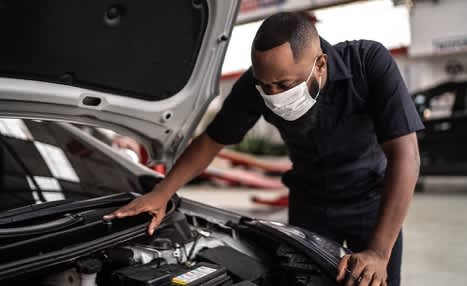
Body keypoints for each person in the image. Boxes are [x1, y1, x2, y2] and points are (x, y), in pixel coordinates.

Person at [104, 12, 424, 286]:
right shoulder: (256, 84)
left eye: (284, 85)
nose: (272, 95)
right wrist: (162, 193)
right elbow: (211, 141)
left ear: (320, 66)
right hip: (310, 206)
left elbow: (405, 153)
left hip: (371, 205)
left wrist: (379, 252)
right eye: (265, 86)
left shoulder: (369, 63)